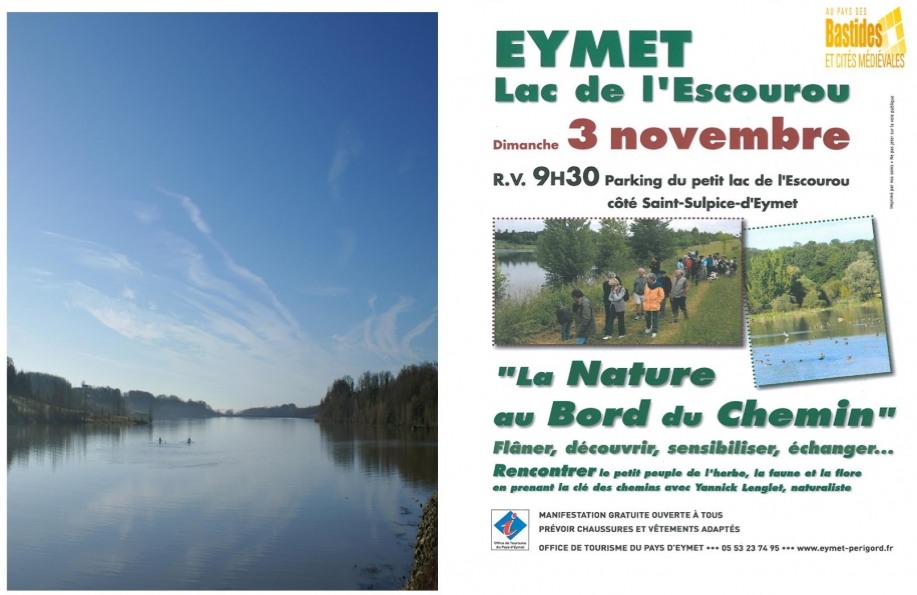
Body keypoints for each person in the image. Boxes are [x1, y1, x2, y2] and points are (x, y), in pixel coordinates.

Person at [643, 273, 664, 338]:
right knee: (647, 317)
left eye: (648, 279)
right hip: (647, 305)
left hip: (655, 305)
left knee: (655, 318)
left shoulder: (659, 286)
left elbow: (661, 296)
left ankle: (655, 331)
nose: (647, 280)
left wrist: (657, 302)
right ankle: (648, 327)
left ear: (652, 279)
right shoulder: (646, 285)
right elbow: (645, 293)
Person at [601, 272, 617, 338]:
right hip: (611, 301)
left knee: (607, 314)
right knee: (611, 315)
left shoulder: (604, 283)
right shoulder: (612, 284)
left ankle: (606, 326)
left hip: (606, 300)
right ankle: (609, 329)